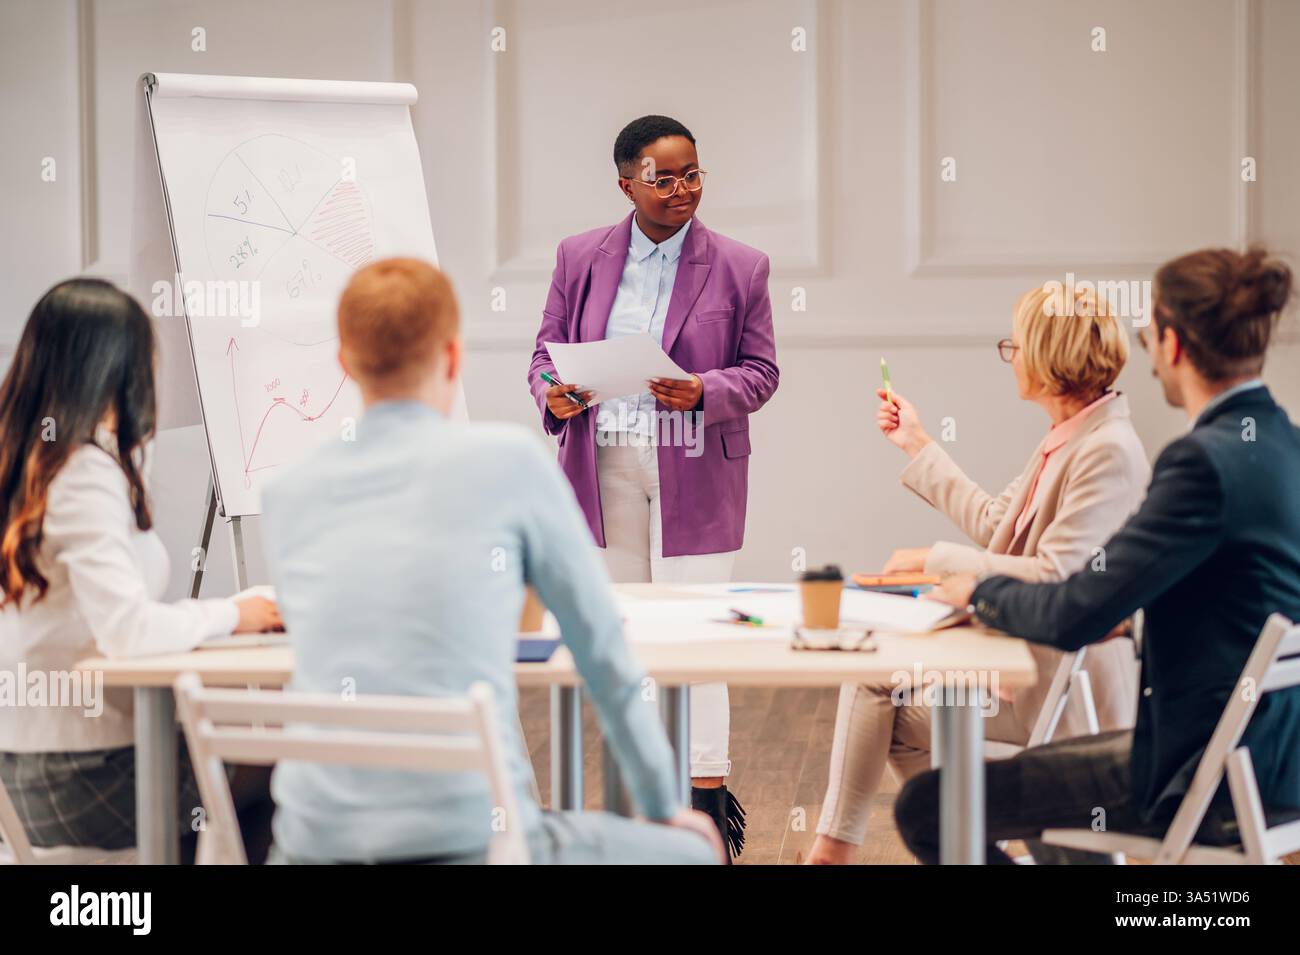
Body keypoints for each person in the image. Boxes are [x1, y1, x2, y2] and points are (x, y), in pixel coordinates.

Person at [261, 258, 722, 865]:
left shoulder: (287, 492)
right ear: (453, 357)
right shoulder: (508, 462)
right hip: (476, 842)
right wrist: (666, 805)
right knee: (696, 850)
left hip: (310, 845)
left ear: (344, 362)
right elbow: (602, 651)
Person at [897, 247, 1300, 863]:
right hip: (1276, 760)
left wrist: (976, 590)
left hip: (1192, 775)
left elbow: (1072, 613)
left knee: (927, 806)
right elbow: (1237, 593)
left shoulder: (1201, 463)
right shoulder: (1284, 445)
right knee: (1047, 796)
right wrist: (1135, 613)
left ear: (1171, 344)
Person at [807, 285, 1147, 864]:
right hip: (1026, 676)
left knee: (879, 691)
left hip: (1065, 693)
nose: (1010, 355)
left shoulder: (1106, 449)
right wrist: (915, 442)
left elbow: (1057, 575)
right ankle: (840, 851)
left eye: (1015, 344)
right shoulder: (1068, 437)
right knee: (873, 681)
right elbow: (997, 524)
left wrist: (937, 561)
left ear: (1046, 354)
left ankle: (856, 851)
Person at [527, 115, 779, 858]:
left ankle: (706, 793)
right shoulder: (581, 256)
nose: (682, 189)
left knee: (697, 634)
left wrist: (702, 388)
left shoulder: (741, 265)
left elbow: (762, 373)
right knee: (627, 635)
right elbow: (545, 351)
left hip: (695, 464)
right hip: (603, 460)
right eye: (663, 178)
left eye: (692, 173)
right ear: (625, 183)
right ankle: (646, 801)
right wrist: (554, 391)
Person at [0, 278, 280, 860]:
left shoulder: (27, 460)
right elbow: (127, 630)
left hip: (32, 764)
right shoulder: (80, 470)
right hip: (81, 772)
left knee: (250, 769)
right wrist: (235, 612)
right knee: (289, 769)